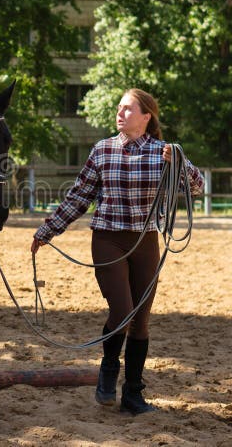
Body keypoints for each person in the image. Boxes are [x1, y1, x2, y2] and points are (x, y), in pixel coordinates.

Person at [30, 88, 204, 415]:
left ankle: (133, 393)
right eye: (119, 108)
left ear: (146, 116)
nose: (119, 113)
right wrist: (48, 229)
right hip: (108, 238)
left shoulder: (163, 153)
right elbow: (79, 197)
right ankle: (109, 369)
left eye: (127, 109)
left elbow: (197, 188)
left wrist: (181, 163)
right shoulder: (103, 150)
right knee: (122, 310)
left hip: (145, 242)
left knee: (141, 321)